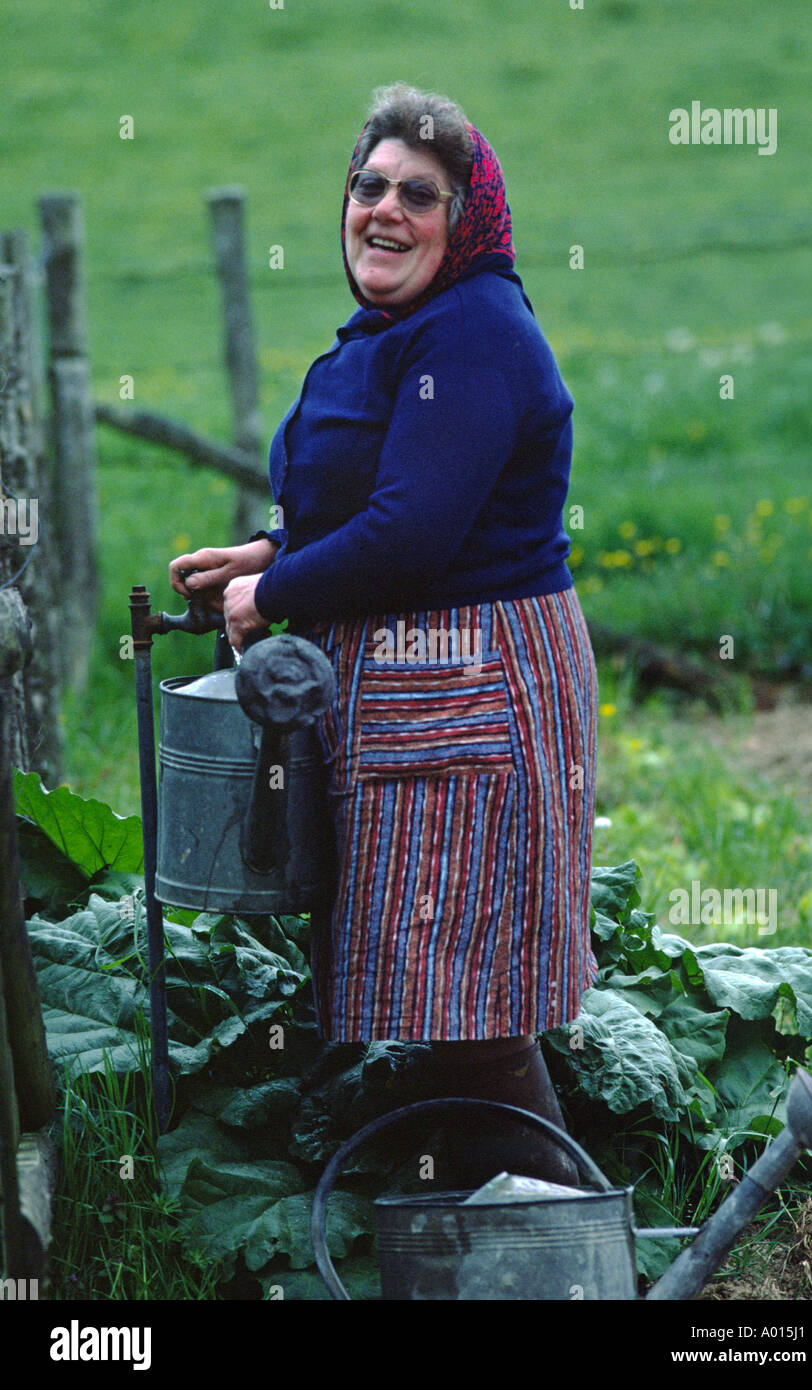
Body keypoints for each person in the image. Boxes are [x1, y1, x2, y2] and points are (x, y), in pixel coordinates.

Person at [169, 83, 598, 1186]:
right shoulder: (406, 328)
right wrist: (272, 554)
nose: (386, 211)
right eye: (370, 186)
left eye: (422, 193)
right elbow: (386, 495)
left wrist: (276, 599)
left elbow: (412, 532)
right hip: (424, 685)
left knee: (474, 1007)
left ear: (467, 221)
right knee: (448, 998)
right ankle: (487, 1245)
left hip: (471, 689)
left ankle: (578, 1252)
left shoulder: (473, 331)